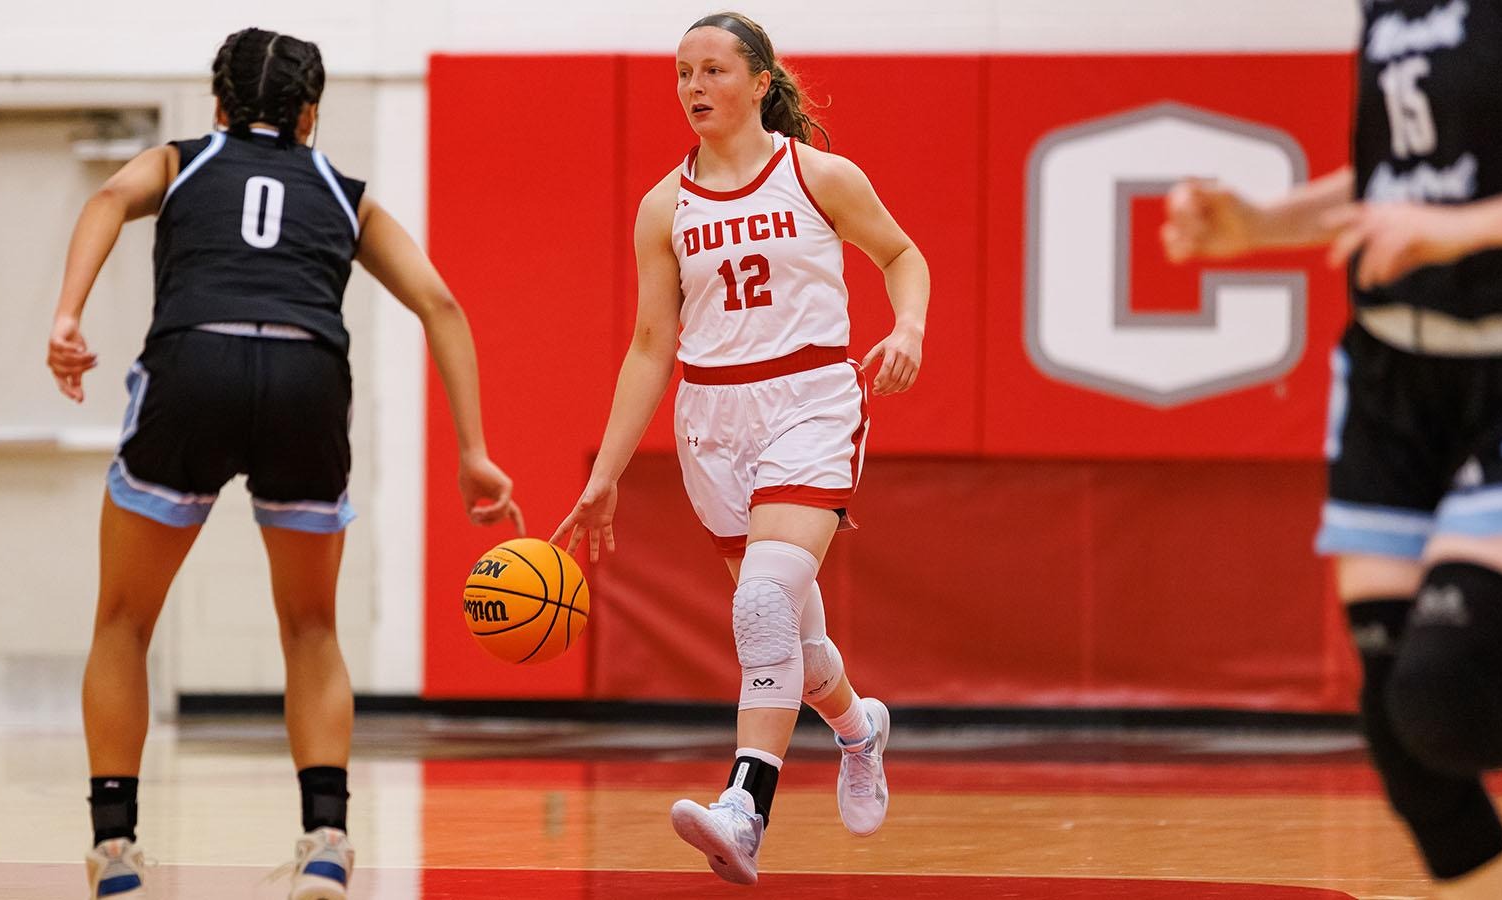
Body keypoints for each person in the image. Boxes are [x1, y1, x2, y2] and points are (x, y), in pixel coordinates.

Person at [46, 27, 523, 900]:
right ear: (311, 115)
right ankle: (327, 843)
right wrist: (473, 451)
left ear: (218, 105)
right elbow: (442, 305)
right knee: (311, 628)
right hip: (307, 377)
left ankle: (114, 851)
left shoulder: (180, 161)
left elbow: (107, 198)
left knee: (122, 620)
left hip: (196, 365)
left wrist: (69, 315)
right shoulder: (347, 195)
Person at [550, 11, 929, 886]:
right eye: (683, 73)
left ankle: (743, 807)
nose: (693, 88)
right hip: (710, 424)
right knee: (792, 637)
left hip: (810, 402)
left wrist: (908, 324)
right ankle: (858, 730)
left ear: (761, 82)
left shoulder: (818, 175)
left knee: (760, 610)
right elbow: (651, 345)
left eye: (713, 70)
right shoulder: (663, 206)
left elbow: (902, 253)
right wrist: (606, 475)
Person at [1163, 2, 1502, 897]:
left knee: (1448, 691)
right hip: (1396, 373)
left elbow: (1444, 213)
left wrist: (1467, 231)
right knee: (1402, 728)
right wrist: (1260, 225)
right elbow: (1399, 181)